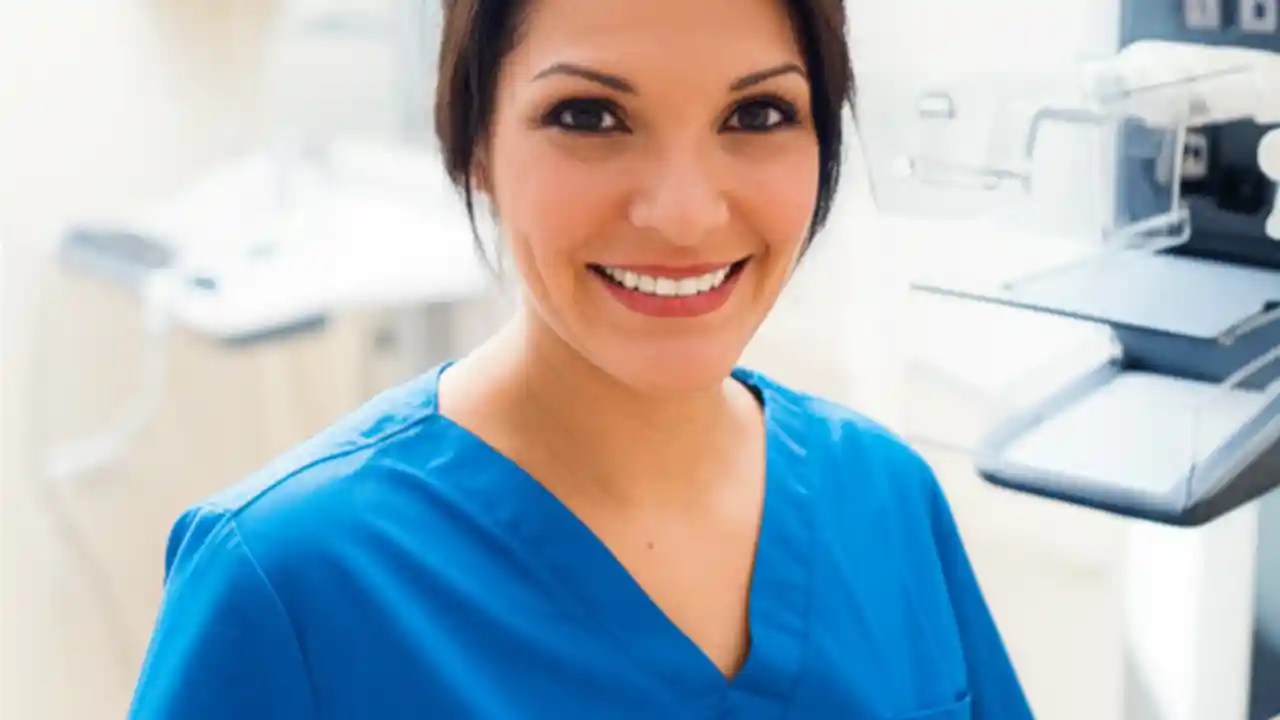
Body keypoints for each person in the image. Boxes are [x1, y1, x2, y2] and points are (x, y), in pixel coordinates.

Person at [129, 0, 1035, 717]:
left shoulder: (882, 498)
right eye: (591, 115)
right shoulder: (287, 585)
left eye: (757, 112)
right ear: (476, 143)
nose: (684, 214)